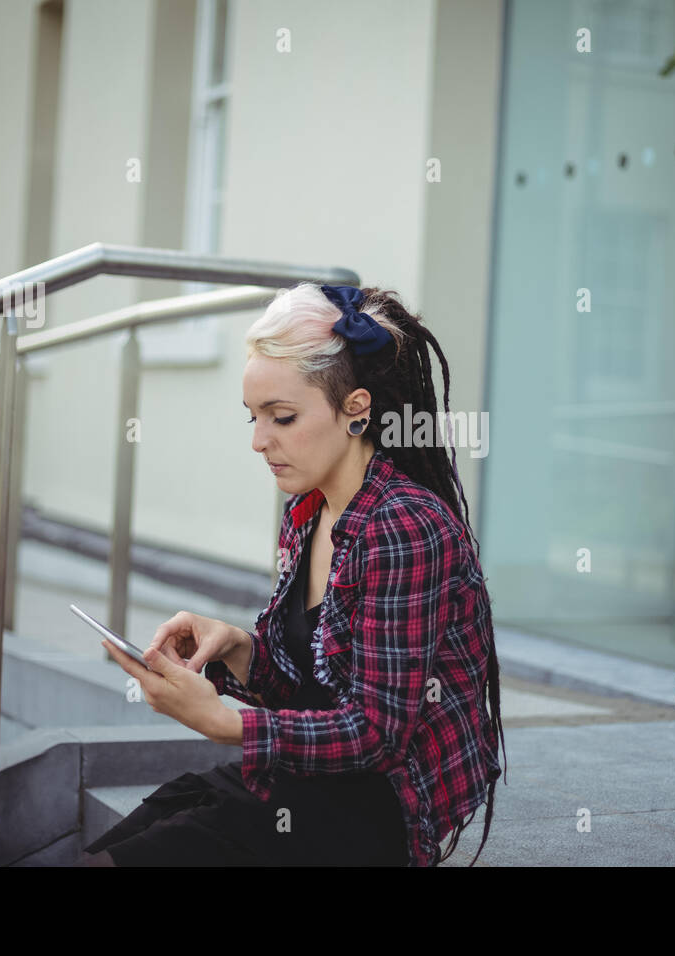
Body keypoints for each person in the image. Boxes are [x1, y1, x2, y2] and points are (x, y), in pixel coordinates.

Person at [78, 282, 505, 867]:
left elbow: (377, 735)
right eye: (253, 417)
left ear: (357, 408)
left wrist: (228, 725)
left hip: (379, 808)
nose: (259, 441)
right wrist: (236, 649)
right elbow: (313, 689)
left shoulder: (406, 526)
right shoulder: (310, 510)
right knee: (121, 843)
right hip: (304, 777)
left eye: (281, 417)